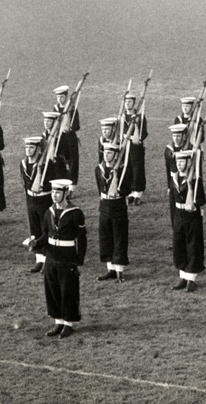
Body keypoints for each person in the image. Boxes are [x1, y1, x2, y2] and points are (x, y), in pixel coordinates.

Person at [29, 179, 87, 339]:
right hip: (51, 258)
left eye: (58, 193)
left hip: (67, 258)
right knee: (52, 290)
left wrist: (79, 261)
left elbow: (82, 239)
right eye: (53, 192)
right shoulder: (49, 212)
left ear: (65, 193)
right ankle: (58, 321)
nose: (54, 196)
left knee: (68, 291)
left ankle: (68, 324)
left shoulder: (76, 213)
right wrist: (35, 243)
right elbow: (45, 236)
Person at [21, 136, 66, 273]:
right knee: (34, 230)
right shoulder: (23, 163)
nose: (28, 150)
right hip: (31, 200)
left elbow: (54, 184)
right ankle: (39, 259)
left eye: (32, 147)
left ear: (38, 149)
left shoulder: (48, 165)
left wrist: (44, 188)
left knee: (45, 229)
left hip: (44, 200)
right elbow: (25, 182)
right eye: (27, 147)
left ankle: (48, 259)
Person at [169, 150, 206, 292]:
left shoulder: (196, 180)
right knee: (180, 246)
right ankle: (183, 277)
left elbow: (203, 200)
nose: (179, 164)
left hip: (192, 217)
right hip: (179, 216)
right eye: (178, 162)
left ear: (188, 163)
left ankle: (191, 279)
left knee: (192, 246)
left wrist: (194, 203)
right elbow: (172, 201)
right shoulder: (174, 179)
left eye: (182, 162)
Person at [96, 143, 132, 282]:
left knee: (119, 237)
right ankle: (110, 268)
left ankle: (120, 271)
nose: (106, 155)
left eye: (110, 153)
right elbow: (100, 188)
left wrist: (119, 187)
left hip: (118, 205)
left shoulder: (123, 170)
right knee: (105, 237)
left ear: (116, 155)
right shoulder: (98, 169)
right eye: (105, 152)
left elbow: (127, 189)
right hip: (105, 206)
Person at [52, 85, 81, 197]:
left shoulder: (72, 108)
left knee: (73, 162)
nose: (60, 99)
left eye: (62, 97)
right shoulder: (55, 108)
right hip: (59, 138)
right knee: (59, 161)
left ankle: (71, 188)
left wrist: (71, 128)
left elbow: (77, 125)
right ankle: (63, 184)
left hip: (70, 138)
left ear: (66, 96)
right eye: (58, 97)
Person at [120, 93, 148, 206]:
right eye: (126, 102)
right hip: (124, 146)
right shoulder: (121, 116)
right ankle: (131, 192)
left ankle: (138, 193)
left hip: (136, 147)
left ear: (134, 103)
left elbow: (143, 133)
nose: (128, 104)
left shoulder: (140, 117)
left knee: (137, 169)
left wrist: (133, 137)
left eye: (130, 102)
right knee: (127, 168)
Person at [165, 124, 188, 230]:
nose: (176, 139)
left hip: (185, 181)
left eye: (178, 136)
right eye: (174, 136)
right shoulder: (168, 150)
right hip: (173, 182)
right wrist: (169, 186)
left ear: (183, 136)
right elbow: (168, 168)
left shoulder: (188, 149)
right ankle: (176, 234)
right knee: (173, 210)